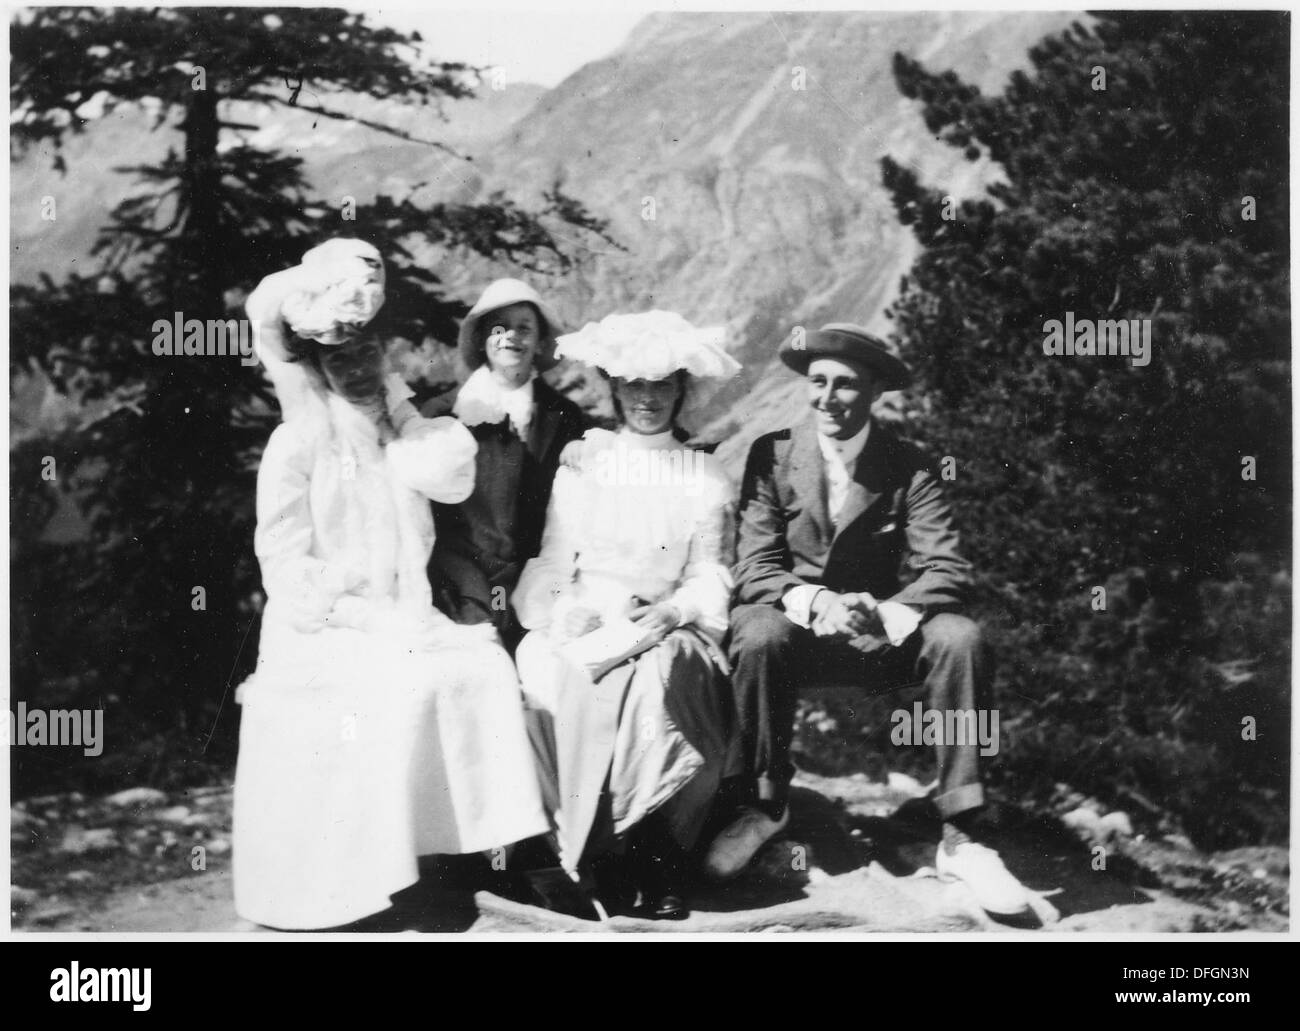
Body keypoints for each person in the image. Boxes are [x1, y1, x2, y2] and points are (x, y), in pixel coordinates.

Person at [232, 240, 547, 930]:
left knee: (483, 667)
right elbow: (283, 565)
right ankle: (365, 880)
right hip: (323, 625)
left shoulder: (398, 440)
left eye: (365, 353)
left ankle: (476, 854)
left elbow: (446, 476)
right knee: (393, 687)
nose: (356, 368)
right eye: (339, 357)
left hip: (402, 613)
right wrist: (358, 613)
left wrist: (403, 423)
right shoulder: (300, 442)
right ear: (316, 365)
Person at [708, 323, 1033, 918]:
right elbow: (754, 565)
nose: (827, 398)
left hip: (879, 636)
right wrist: (814, 601)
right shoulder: (773, 455)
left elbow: (947, 567)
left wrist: (890, 612)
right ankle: (763, 804)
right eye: (818, 382)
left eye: (846, 385)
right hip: (798, 632)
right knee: (755, 631)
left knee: (961, 637)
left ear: (876, 390)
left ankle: (962, 832)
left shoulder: (909, 465)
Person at [511, 311, 740, 920]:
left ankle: (655, 855)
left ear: (681, 388)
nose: (647, 397)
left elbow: (711, 570)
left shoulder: (703, 474)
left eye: (662, 383)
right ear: (613, 387)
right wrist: (563, 614)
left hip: (664, 618)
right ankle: (593, 856)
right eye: (634, 383)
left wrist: (677, 609)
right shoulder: (586, 465)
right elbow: (555, 561)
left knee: (653, 684)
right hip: (589, 615)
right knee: (554, 675)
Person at [422, 279, 588, 651]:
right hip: (460, 571)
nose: (511, 337)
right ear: (482, 339)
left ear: (541, 342)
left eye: (524, 328)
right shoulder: (444, 413)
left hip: (536, 574)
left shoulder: (563, 415)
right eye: (499, 328)